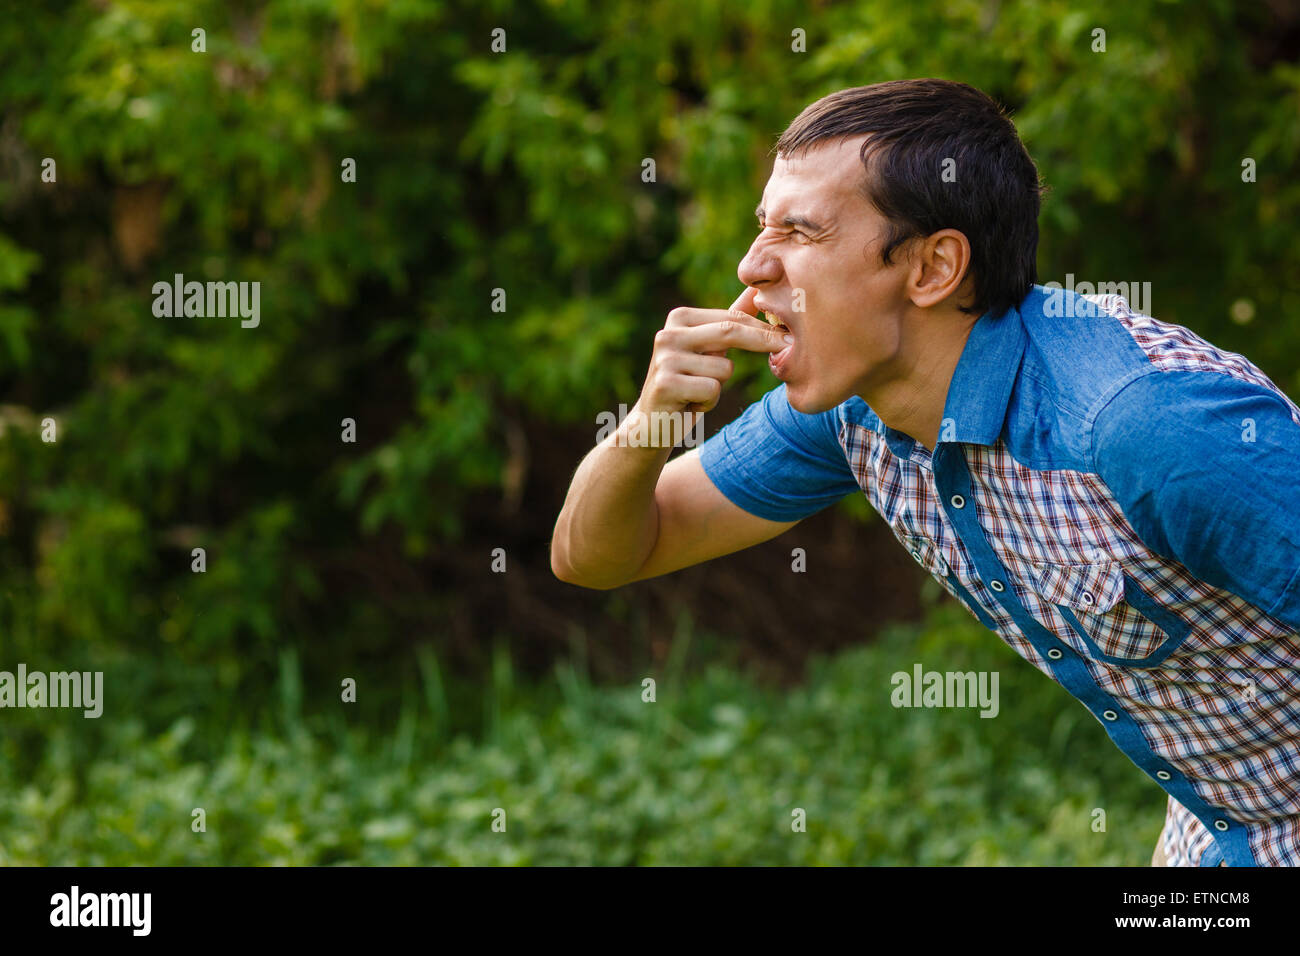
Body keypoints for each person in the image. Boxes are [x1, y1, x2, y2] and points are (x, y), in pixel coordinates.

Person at [550, 78, 1300, 866]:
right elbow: (595, 556)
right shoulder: (852, 411)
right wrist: (651, 421)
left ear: (934, 267)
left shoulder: (1145, 425)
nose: (751, 265)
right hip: (1221, 824)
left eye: (800, 232)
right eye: (761, 226)